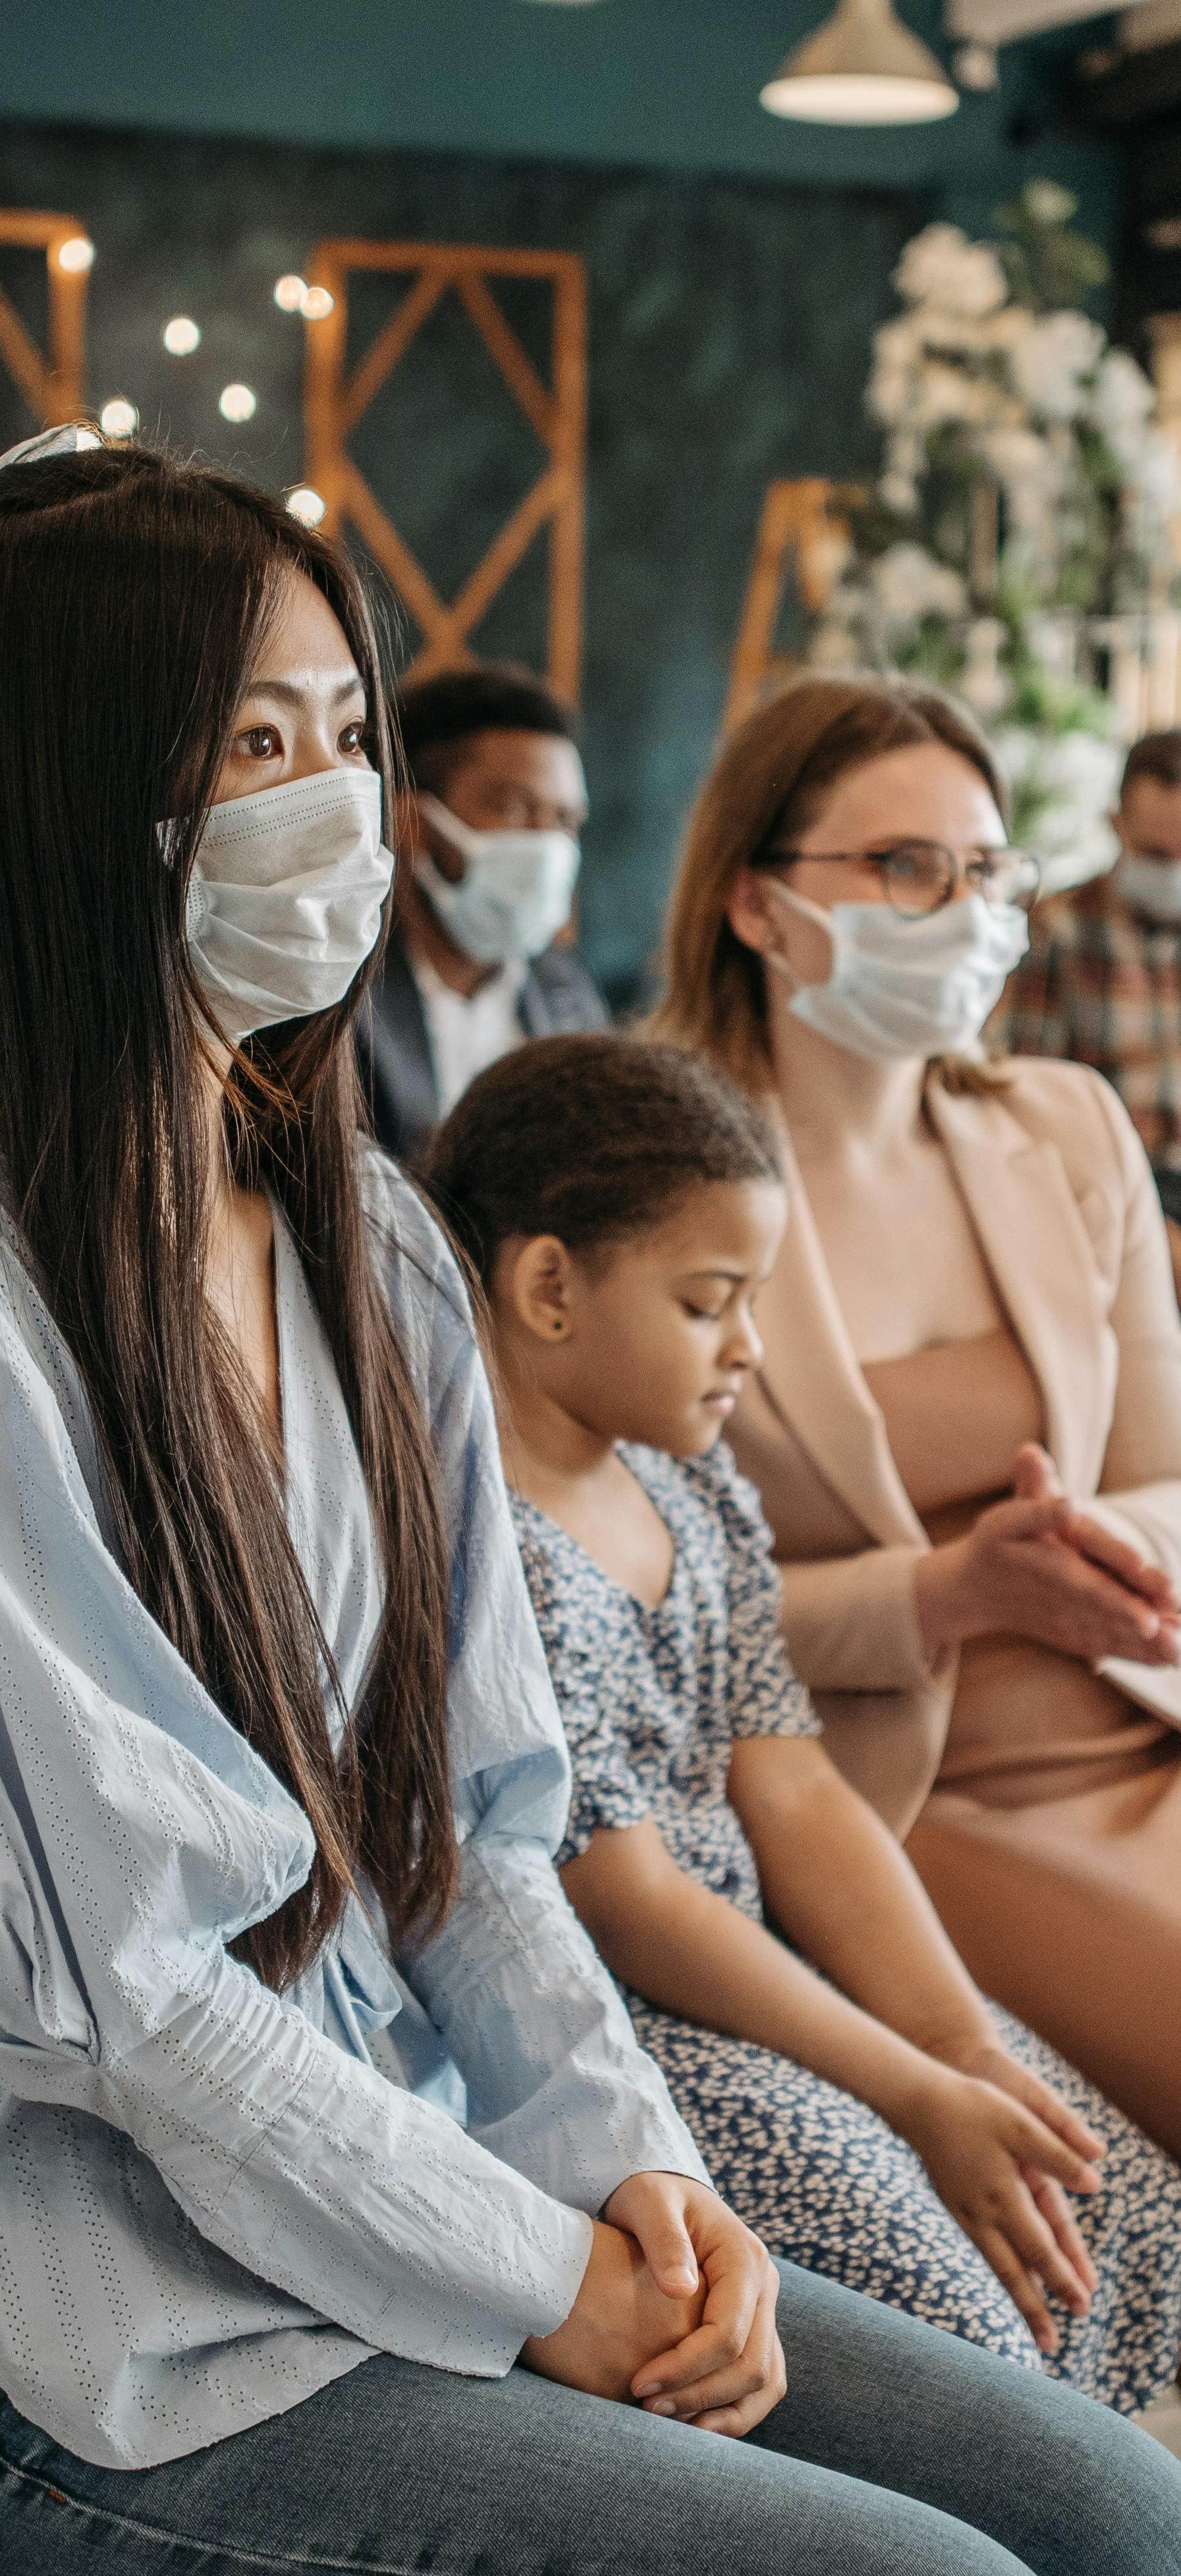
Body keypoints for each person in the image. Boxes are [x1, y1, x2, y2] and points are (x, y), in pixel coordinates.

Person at [0, 428, 1181, 2576]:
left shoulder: (370, 1242)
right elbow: (125, 1988)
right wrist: (537, 2273)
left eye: (343, 733)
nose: (336, 801)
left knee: (1119, 2506)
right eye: (254, 742)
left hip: (406, 2160)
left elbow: (470, 1827)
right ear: (69, 794)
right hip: (76, 2317)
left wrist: (628, 2165)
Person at [426, 1031, 1181, 2414]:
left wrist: (960, 2046)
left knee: (1111, 2199)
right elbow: (631, 1901)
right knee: (980, 2330)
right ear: (548, 1289)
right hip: (639, 2032)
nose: (749, 1348)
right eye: (709, 1303)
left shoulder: (693, 1489)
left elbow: (796, 1792)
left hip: (767, 1967)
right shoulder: (489, 1545)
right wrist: (909, 2091)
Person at [651, 671, 1181, 2169]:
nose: (963, 910)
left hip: (1142, 1716)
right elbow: (645, 1613)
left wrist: (1085, 1547)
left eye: (987, 869)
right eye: (905, 867)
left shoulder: (1065, 1126)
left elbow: (1168, 1475)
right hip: (901, 1797)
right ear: (756, 903)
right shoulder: (656, 1183)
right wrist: (945, 1591)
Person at [354, 662, 603, 1161]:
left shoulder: (568, 997)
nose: (548, 846)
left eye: (564, 819)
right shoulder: (341, 1001)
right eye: (513, 809)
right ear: (410, 821)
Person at [1002, 728, 1181, 1289]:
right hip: (1115, 1196)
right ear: (1115, 824)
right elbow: (1026, 1112)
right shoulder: (1057, 932)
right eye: (1158, 855)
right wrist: (1149, 1235)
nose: (1174, 870)